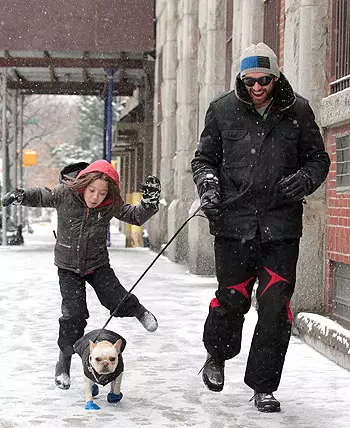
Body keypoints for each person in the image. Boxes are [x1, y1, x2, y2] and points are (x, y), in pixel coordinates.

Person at [191, 43, 330, 412]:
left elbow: (318, 158)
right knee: (231, 299)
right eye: (250, 80)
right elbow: (204, 159)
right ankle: (217, 356)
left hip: (281, 228)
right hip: (233, 225)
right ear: (241, 79)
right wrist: (208, 187)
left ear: (276, 77)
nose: (257, 87)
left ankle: (264, 386)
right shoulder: (222, 110)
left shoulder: (297, 110)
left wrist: (304, 180)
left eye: (264, 80)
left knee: (274, 309)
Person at [1, 159, 161, 390]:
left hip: (97, 264)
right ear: (83, 184)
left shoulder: (109, 204)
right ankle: (63, 362)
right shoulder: (65, 194)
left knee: (114, 298)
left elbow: (135, 216)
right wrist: (20, 195)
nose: (95, 197)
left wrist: (149, 204)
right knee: (73, 316)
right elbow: (41, 196)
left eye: (102, 192)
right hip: (67, 266)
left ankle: (139, 311)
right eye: (92, 190)